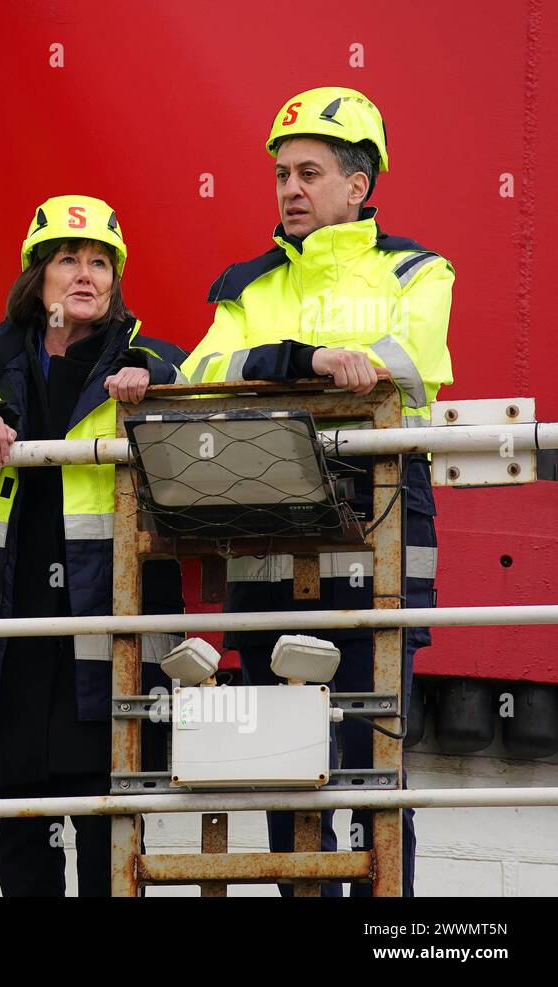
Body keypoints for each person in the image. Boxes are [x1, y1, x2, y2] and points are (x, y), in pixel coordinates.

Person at [182, 87, 454, 896]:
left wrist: (295, 366)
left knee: (377, 777)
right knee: (281, 781)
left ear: (358, 186)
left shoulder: (418, 269)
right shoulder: (245, 284)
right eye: (280, 175)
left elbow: (413, 363)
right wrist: (306, 359)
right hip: (268, 563)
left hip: (380, 559)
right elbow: (201, 374)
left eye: (308, 172)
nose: (289, 189)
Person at [0, 195, 188, 896]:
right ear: (36, 275)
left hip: (103, 639)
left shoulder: (151, 362)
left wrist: (154, 389)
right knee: (19, 837)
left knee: (110, 838)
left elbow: (199, 428)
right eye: (68, 257)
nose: (85, 273)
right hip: (9, 640)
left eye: (101, 261)